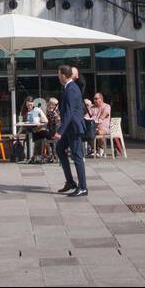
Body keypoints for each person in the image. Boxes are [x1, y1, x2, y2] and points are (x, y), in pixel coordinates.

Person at [54, 65, 88, 196]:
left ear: (63, 75)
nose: (58, 77)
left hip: (73, 127)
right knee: (59, 149)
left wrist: (60, 131)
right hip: (69, 127)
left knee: (77, 156)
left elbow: (69, 112)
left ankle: (83, 187)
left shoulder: (72, 89)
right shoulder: (67, 88)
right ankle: (70, 182)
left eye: (58, 74)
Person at [90, 92, 112, 156]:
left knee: (99, 132)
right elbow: (86, 116)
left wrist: (97, 120)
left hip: (105, 128)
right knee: (87, 131)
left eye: (96, 98)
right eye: (94, 99)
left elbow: (103, 116)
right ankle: (93, 149)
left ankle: (101, 148)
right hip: (94, 127)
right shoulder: (92, 107)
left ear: (101, 99)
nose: (94, 100)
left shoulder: (107, 106)